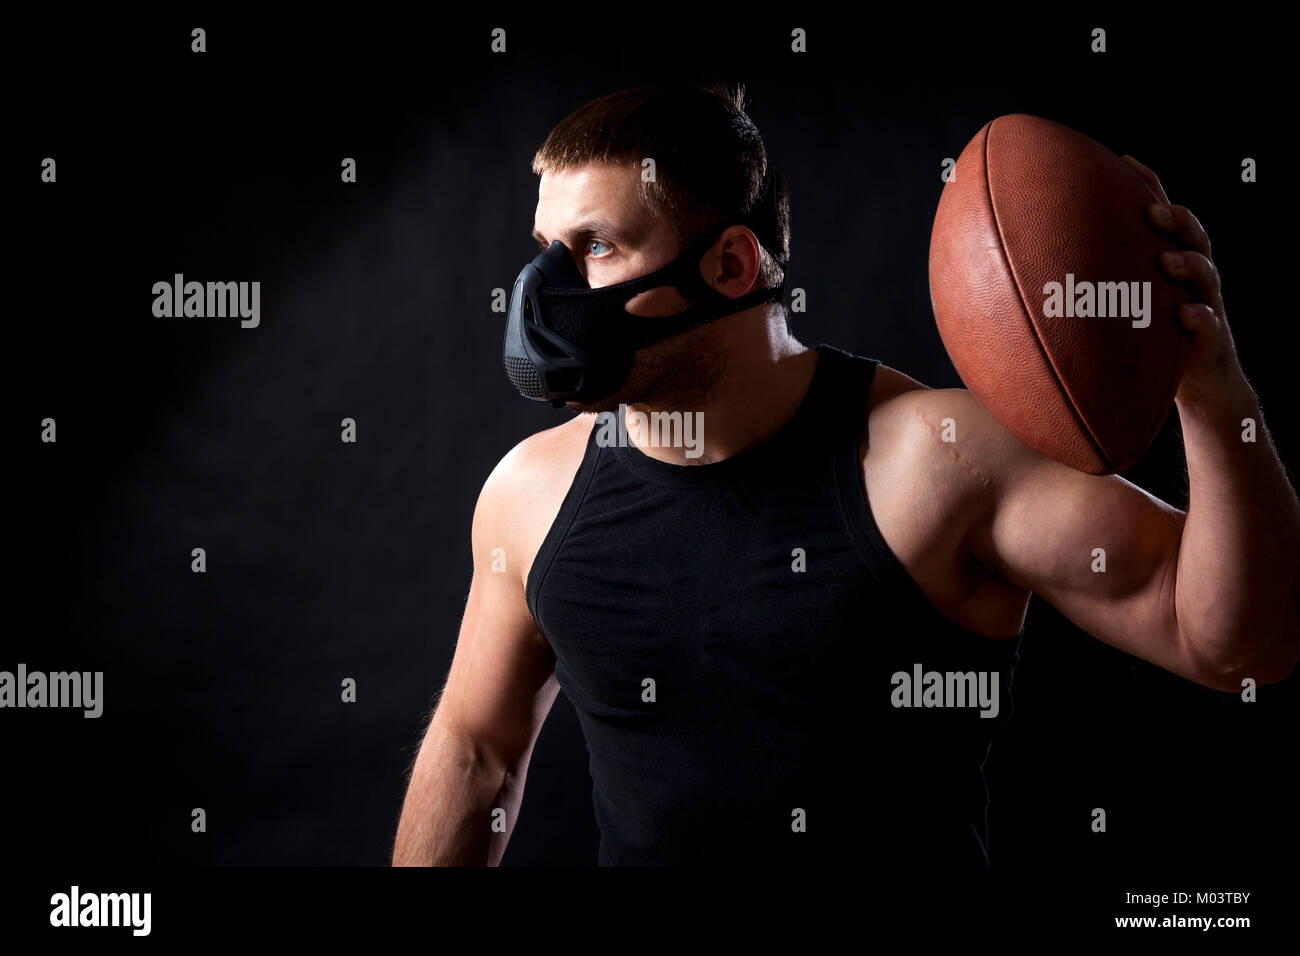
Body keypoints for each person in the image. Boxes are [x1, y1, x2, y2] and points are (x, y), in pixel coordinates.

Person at [392, 83, 1299, 867]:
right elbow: (476, 753)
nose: (547, 291)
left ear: (732, 265)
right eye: (546, 247)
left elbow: (1233, 645)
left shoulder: (935, 461)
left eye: (594, 248)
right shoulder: (530, 496)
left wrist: (1214, 399)